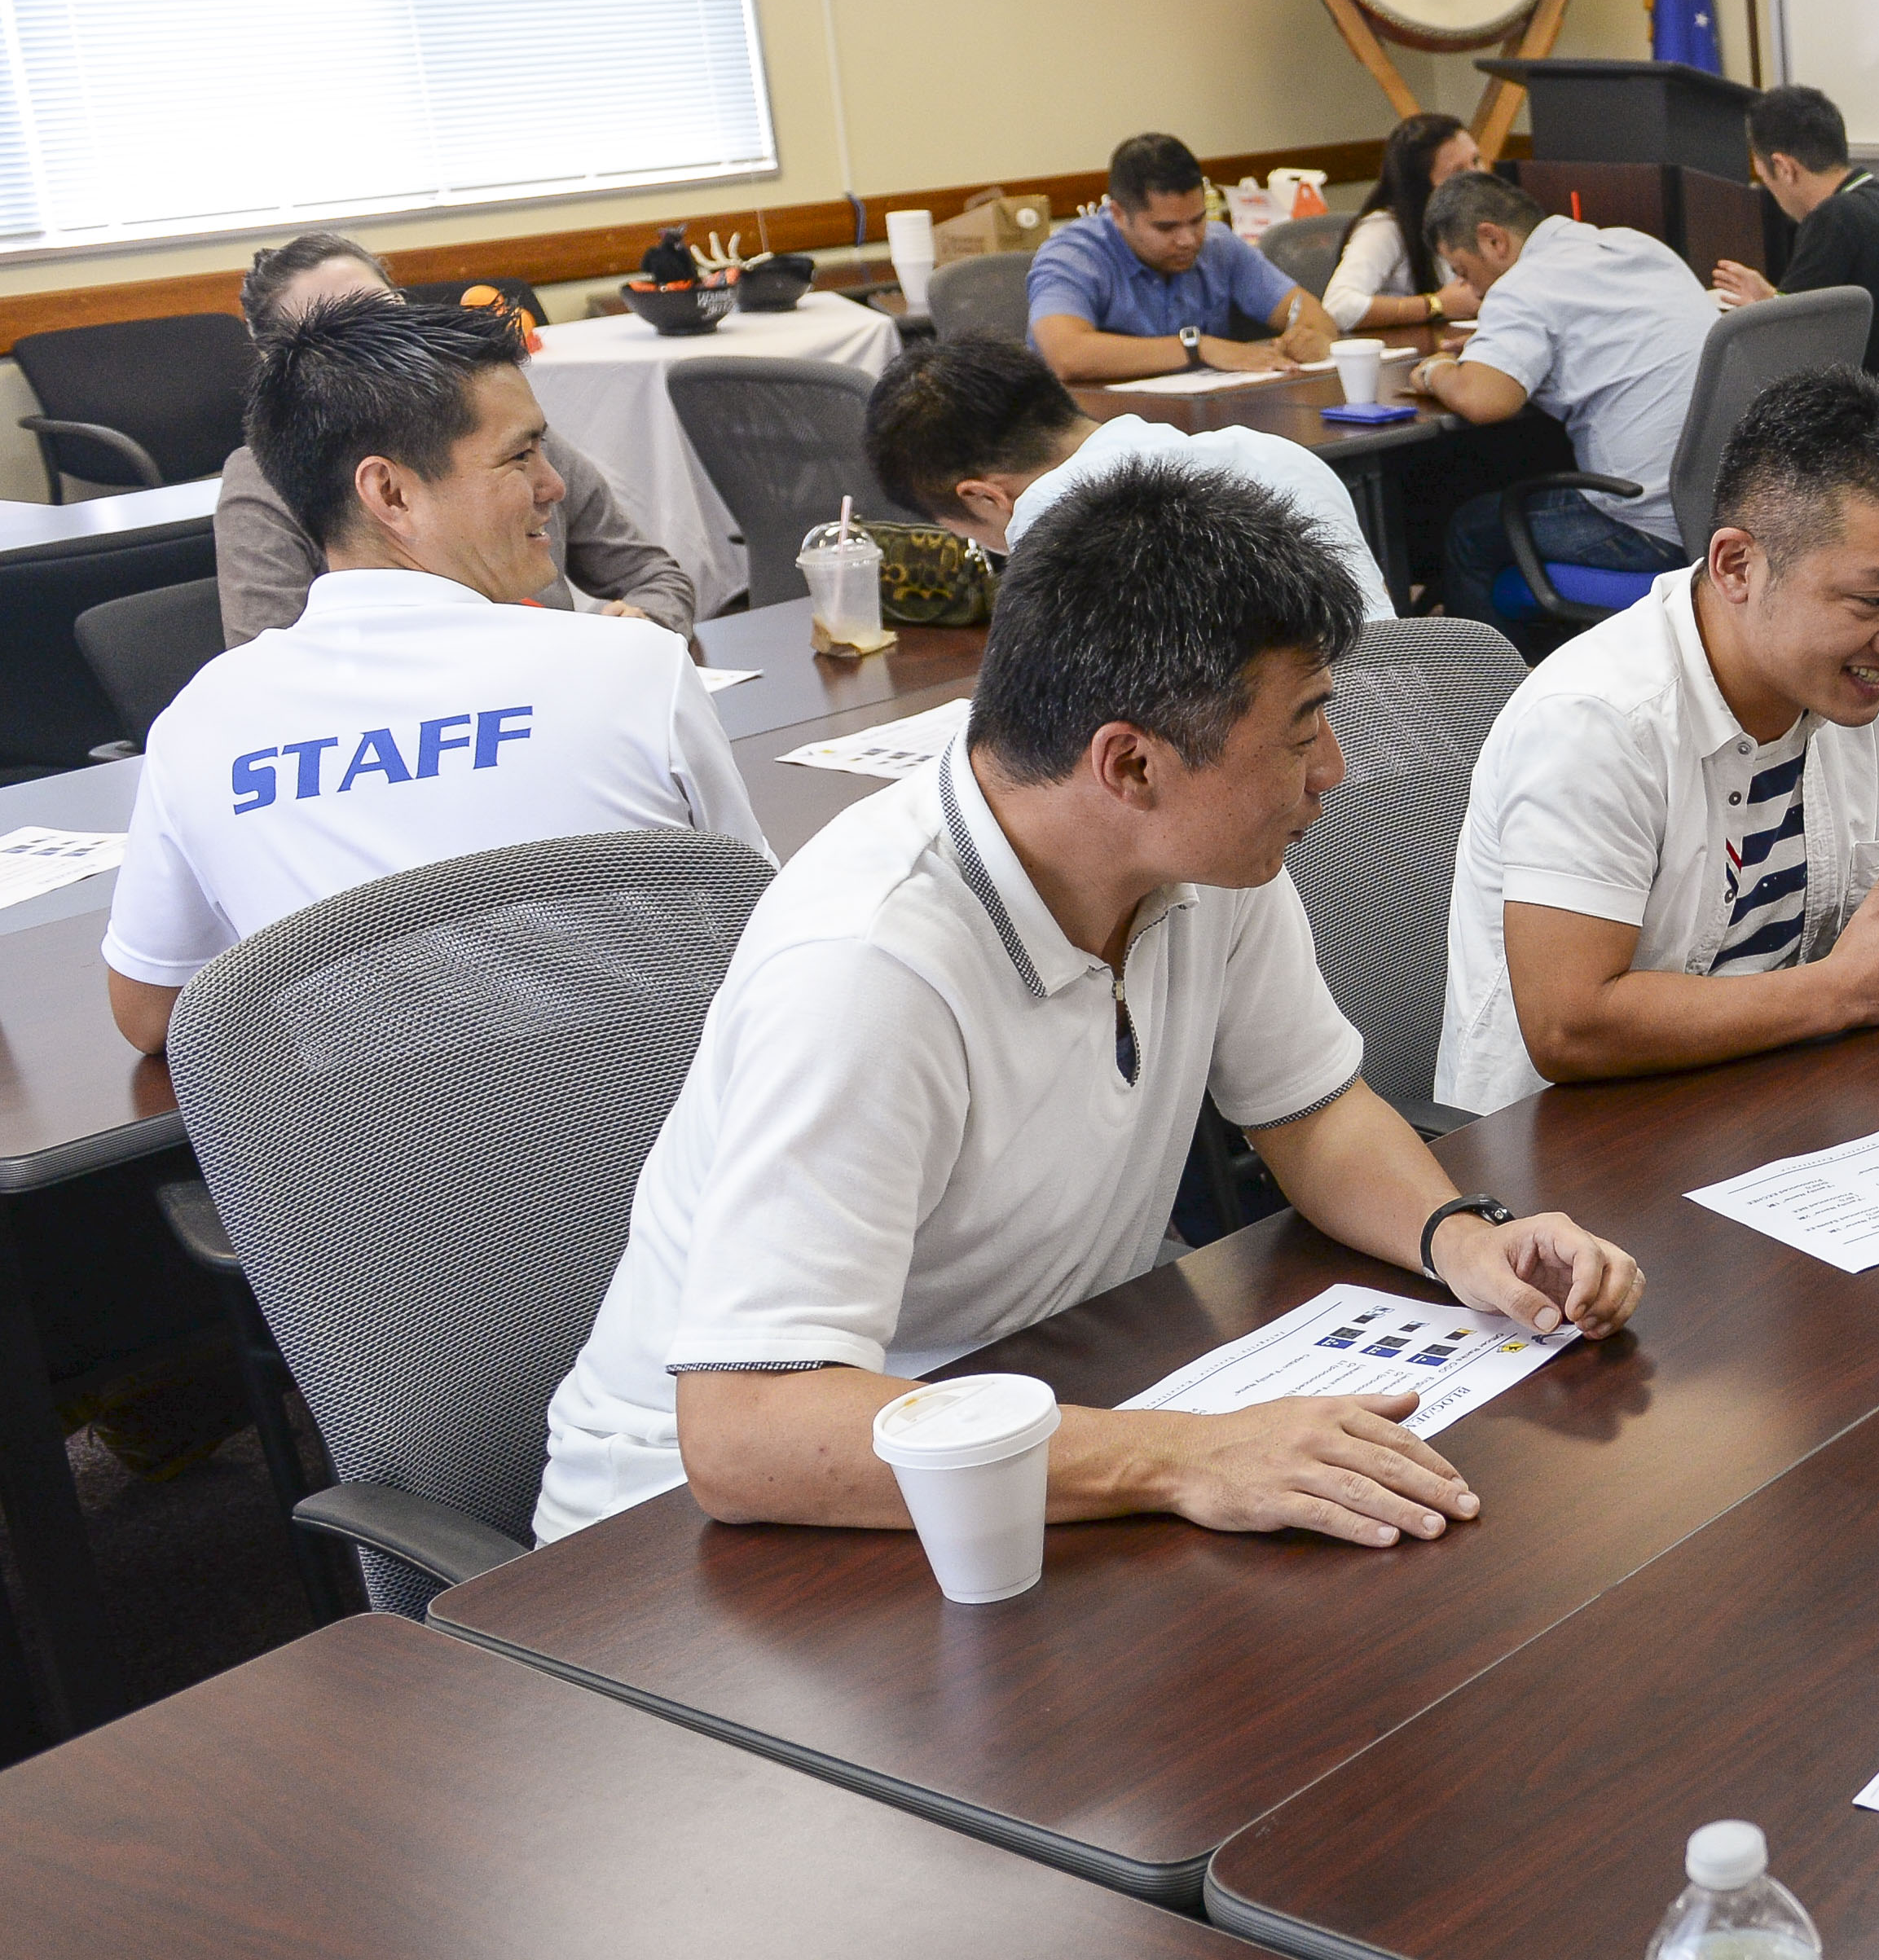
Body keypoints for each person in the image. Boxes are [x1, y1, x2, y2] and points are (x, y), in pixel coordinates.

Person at [535, 467, 1648, 1543]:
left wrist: (1459, 1239)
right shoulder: (869, 968)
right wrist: (1182, 1457)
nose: (1333, 770)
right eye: (1302, 728)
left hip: (1034, 1418)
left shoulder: (1199, 861)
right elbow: (746, 1436)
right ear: (1129, 767)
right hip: (710, 1534)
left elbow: (1309, 1110)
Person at [106, 291, 766, 1055]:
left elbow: (151, 1014)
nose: (554, 486)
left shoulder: (201, 721)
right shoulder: (634, 669)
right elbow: (758, 925)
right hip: (663, 1152)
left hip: (368, 1167)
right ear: (390, 492)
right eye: (521, 455)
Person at [1437, 367, 1879, 1109]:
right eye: (1871, 599)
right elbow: (1569, 1024)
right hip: (1580, 1149)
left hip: (1770, 1089)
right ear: (1736, 567)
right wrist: (1838, 993)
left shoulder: (1861, 668)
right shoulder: (1597, 719)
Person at [218, 231, 693, 642]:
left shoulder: (509, 438)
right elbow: (267, 661)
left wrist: (645, 624)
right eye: (335, 335)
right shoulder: (269, 479)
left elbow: (653, 576)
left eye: (385, 313)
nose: (378, 342)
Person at [862, 336, 1393, 621]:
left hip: (1293, 809)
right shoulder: (1274, 453)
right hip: (1423, 782)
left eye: (969, 533)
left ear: (983, 496)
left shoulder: (1062, 524)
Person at [1410, 171, 1714, 630]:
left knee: (1469, 532)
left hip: (1645, 528)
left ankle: (1484, 694)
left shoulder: (1524, 284)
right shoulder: (1638, 246)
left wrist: (1435, 372)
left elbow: (1484, 400)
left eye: (1464, 272)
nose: (1473, 293)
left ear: (1492, 240)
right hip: (1717, 511)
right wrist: (1492, 350)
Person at [1706, 84, 1879, 484]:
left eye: (1765, 179)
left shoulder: (1833, 218)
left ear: (1783, 167)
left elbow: (1793, 351)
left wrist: (1763, 315)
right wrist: (1772, 299)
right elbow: (1816, 309)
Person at [1027, 132, 1342, 385]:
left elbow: (1314, 316)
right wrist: (1196, 347)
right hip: (1100, 436)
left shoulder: (1218, 245)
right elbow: (1066, 355)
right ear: (1120, 215)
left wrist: (1313, 339)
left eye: (1197, 220)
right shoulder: (1073, 255)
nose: (1188, 240)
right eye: (1166, 228)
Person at [1322, 111, 1490, 341]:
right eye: (1458, 171)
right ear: (1420, 185)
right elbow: (1338, 307)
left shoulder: (1479, 219)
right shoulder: (1384, 228)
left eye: (1476, 161)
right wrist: (1435, 305)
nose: (1477, 177)